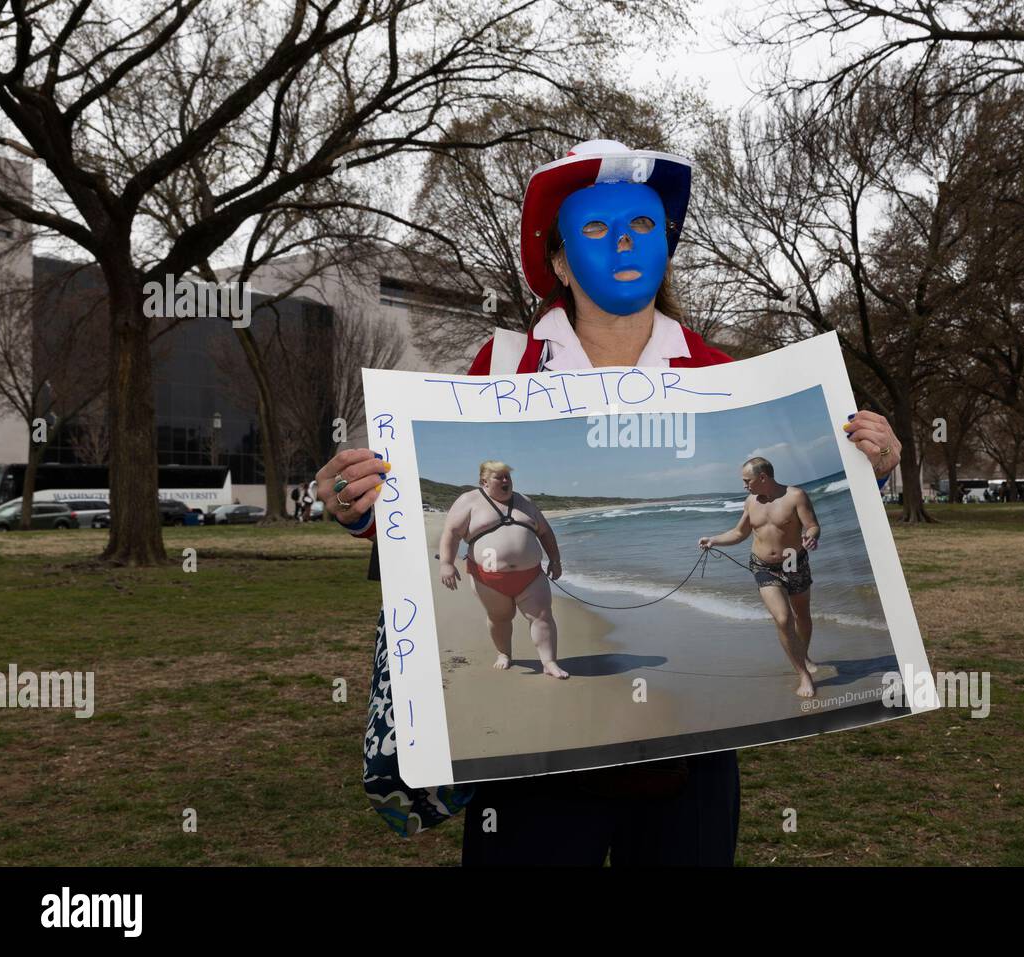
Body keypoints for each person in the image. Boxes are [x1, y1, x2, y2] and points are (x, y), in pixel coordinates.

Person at [311, 139, 903, 866]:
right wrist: (359, 502)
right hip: (533, 771)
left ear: (667, 246)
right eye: (595, 229)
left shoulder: (728, 373)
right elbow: (422, 510)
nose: (624, 242)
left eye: (644, 226)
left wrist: (869, 469)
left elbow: (785, 498)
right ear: (558, 261)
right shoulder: (500, 366)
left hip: (688, 764)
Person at [698, 457, 821, 699]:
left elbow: (813, 525)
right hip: (763, 566)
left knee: (802, 616)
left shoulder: (795, 496)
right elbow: (738, 533)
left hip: (794, 561)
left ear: (763, 477)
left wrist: (812, 536)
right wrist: (713, 539)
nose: (745, 485)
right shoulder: (750, 502)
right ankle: (803, 674)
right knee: (783, 618)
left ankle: (803, 654)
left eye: (747, 480)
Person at [437, 461, 566, 678]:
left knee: (542, 616)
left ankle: (549, 662)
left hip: (531, 576)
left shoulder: (525, 501)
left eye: (508, 476)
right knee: (500, 617)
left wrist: (555, 559)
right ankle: (503, 654)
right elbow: (451, 533)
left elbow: (544, 532)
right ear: (484, 481)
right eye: (500, 477)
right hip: (488, 578)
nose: (506, 481)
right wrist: (446, 564)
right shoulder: (469, 501)